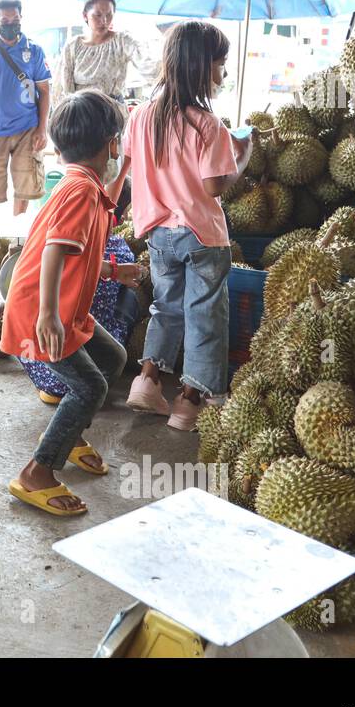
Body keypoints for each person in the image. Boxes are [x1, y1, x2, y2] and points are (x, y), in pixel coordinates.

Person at [0, 91, 143, 516]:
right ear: (112, 144)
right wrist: (47, 315)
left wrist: (115, 273)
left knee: (112, 357)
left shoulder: (86, 187)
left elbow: (81, 253)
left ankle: (71, 433)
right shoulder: (80, 191)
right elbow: (53, 253)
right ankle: (37, 473)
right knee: (91, 385)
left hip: (64, 312)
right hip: (43, 313)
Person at [123, 22, 251, 431]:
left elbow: (132, 164)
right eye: (220, 65)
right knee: (205, 318)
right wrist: (242, 155)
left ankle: (146, 381)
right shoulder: (208, 125)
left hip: (159, 233)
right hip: (202, 235)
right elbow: (215, 185)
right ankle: (189, 404)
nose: (223, 74)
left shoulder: (140, 115)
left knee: (166, 308)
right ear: (200, 68)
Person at [0, 0, 52, 225]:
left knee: (26, 186)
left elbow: (45, 91)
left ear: (21, 18)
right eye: (5, 19)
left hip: (28, 128)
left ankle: (17, 238)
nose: (11, 23)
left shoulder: (34, 51)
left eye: (15, 18)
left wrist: (42, 129)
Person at [51, 0, 159, 105]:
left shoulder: (122, 41)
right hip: (81, 113)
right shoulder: (73, 46)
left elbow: (150, 67)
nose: (104, 21)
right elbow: (63, 89)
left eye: (109, 15)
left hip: (113, 112)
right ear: (85, 15)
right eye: (98, 15)